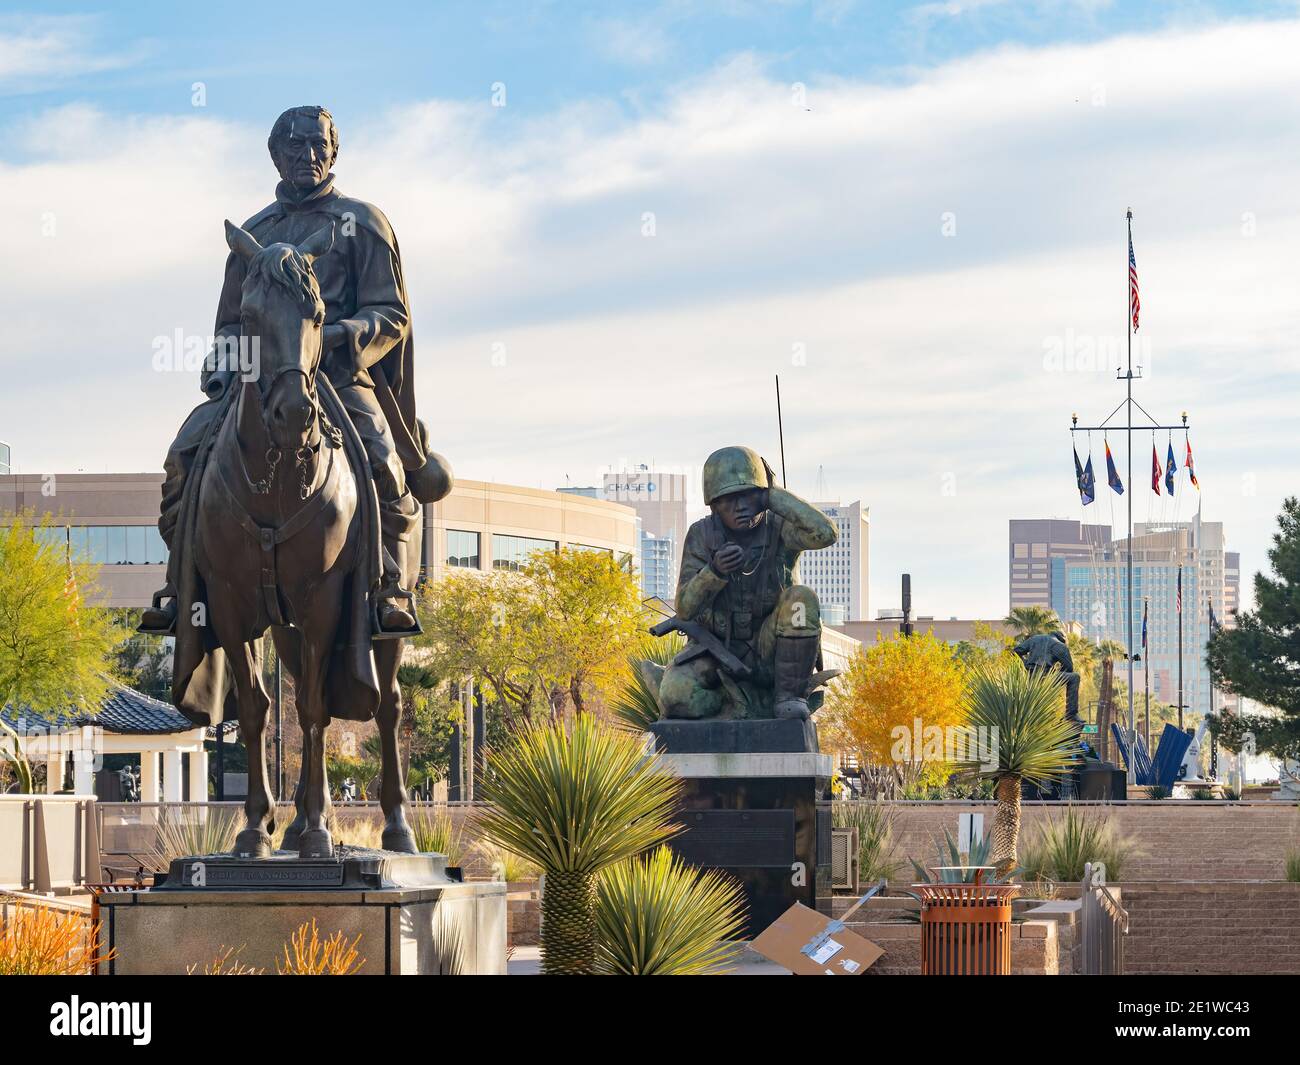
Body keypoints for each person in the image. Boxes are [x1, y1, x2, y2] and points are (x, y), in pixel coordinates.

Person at [140, 105, 435, 636]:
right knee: (183, 456)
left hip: (340, 377)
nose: (309, 155)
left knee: (385, 464)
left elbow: (391, 315)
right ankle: (180, 585)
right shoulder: (252, 235)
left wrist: (336, 337)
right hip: (261, 380)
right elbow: (230, 322)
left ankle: (392, 588)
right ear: (276, 156)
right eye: (296, 147)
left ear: (334, 153)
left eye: (320, 145)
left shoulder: (363, 222)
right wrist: (225, 359)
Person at [659, 445, 837, 720]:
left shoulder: (780, 526)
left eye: (749, 496)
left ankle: (788, 698)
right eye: (728, 500)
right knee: (675, 697)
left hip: (771, 649)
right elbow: (684, 609)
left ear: (762, 496)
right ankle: (732, 702)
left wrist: (774, 498)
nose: (740, 507)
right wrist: (714, 571)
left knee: (801, 598)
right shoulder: (701, 535)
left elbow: (825, 533)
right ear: (714, 504)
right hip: (716, 652)